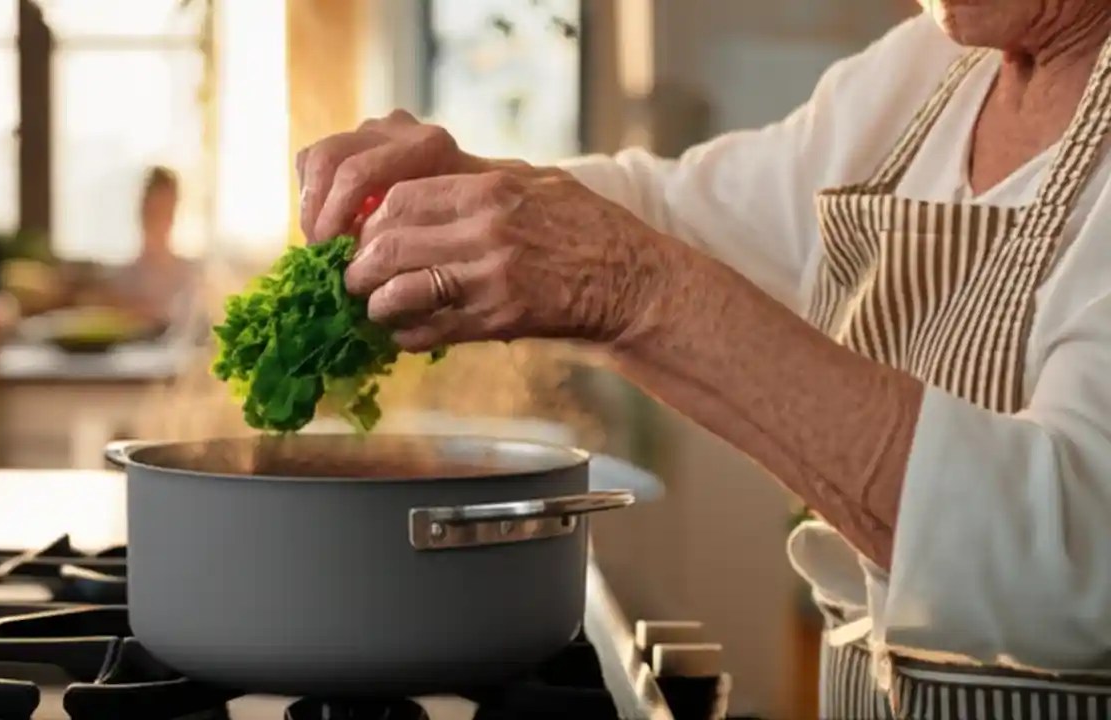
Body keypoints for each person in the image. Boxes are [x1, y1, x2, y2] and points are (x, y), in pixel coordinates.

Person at [296, 1, 1111, 717]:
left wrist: (636, 288)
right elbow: (676, 213)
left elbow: (1070, 553)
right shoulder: (922, 72)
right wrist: (472, 197)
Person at [108, 166, 198, 333]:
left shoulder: (192, 276)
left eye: (164, 210)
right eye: (153, 211)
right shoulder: (122, 280)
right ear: (142, 212)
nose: (158, 220)